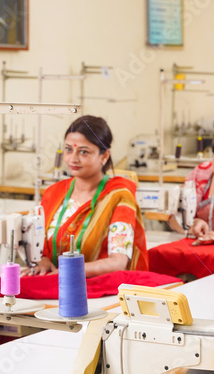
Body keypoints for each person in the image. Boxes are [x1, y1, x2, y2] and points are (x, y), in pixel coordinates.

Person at [30, 116, 148, 276]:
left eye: (83, 152)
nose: (73, 159)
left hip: (97, 288)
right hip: (52, 283)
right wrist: (41, 259)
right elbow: (36, 243)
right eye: (68, 149)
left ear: (104, 156)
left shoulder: (119, 197)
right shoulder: (54, 193)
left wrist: (68, 272)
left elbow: (118, 262)